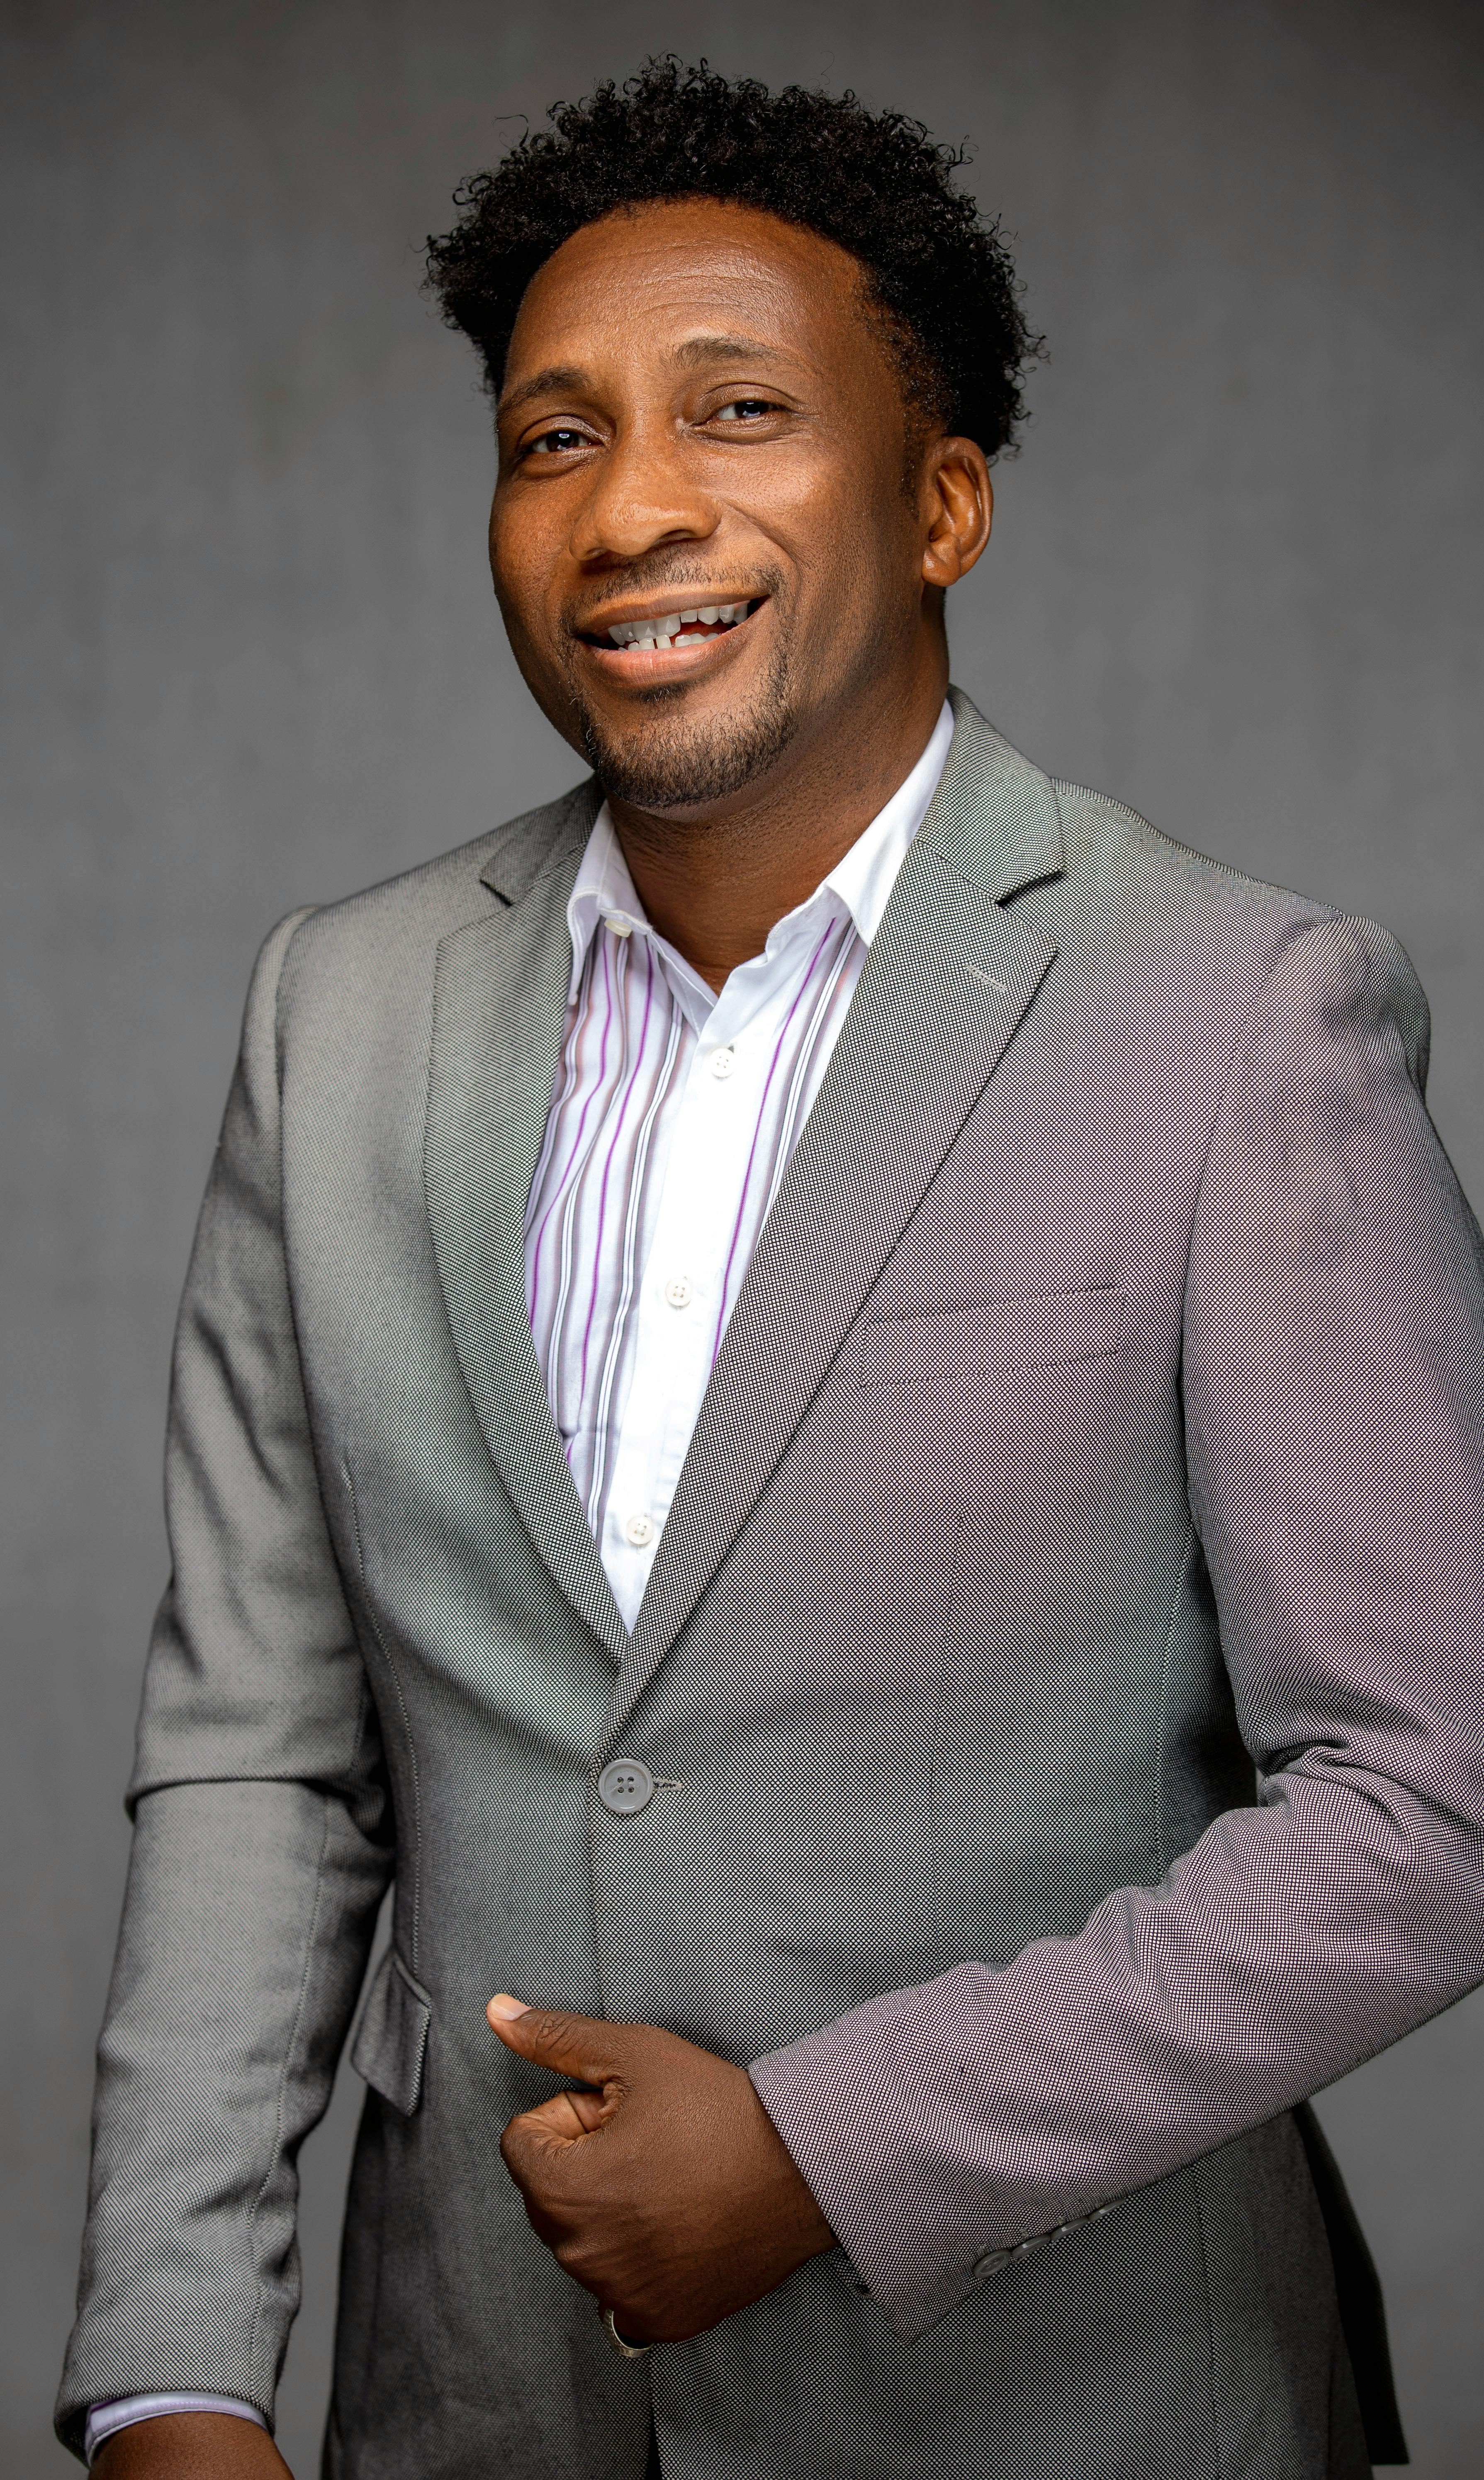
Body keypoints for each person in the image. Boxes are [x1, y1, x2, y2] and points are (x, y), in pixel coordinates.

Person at [58, 56, 1484, 2480]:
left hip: (1088, 2414)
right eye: (552, 438)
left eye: (739, 412)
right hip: (478, 2412)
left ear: (941, 504)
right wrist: (172, 2372)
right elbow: (262, 1757)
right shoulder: (343, 1011)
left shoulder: (1238, 1016)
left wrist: (834, 2145)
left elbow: (1439, 1802)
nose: (636, 509)